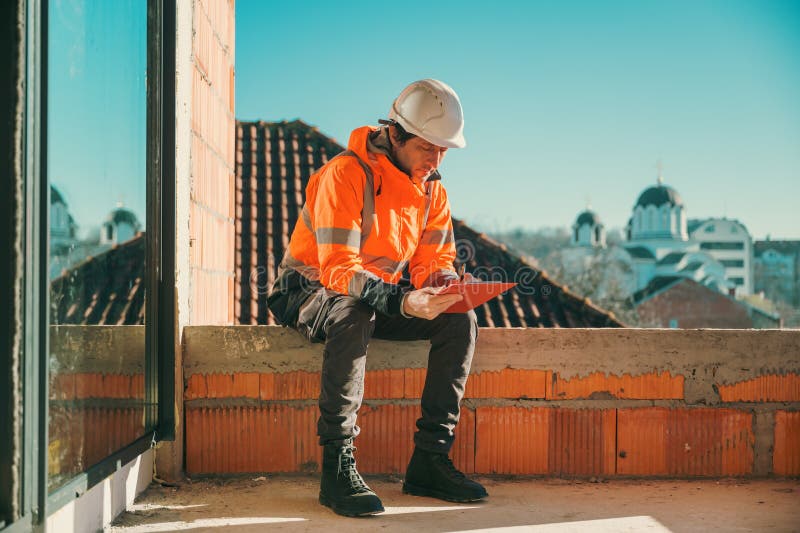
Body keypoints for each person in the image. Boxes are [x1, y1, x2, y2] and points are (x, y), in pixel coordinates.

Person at [267, 79, 487, 517]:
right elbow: (338, 270)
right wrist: (404, 303)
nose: (436, 160)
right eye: (429, 147)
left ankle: (429, 460)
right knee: (353, 309)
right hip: (309, 290)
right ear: (397, 135)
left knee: (459, 319)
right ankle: (336, 467)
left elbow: (433, 258)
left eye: (444, 151)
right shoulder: (345, 174)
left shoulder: (432, 191)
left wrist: (442, 284)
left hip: (376, 296)